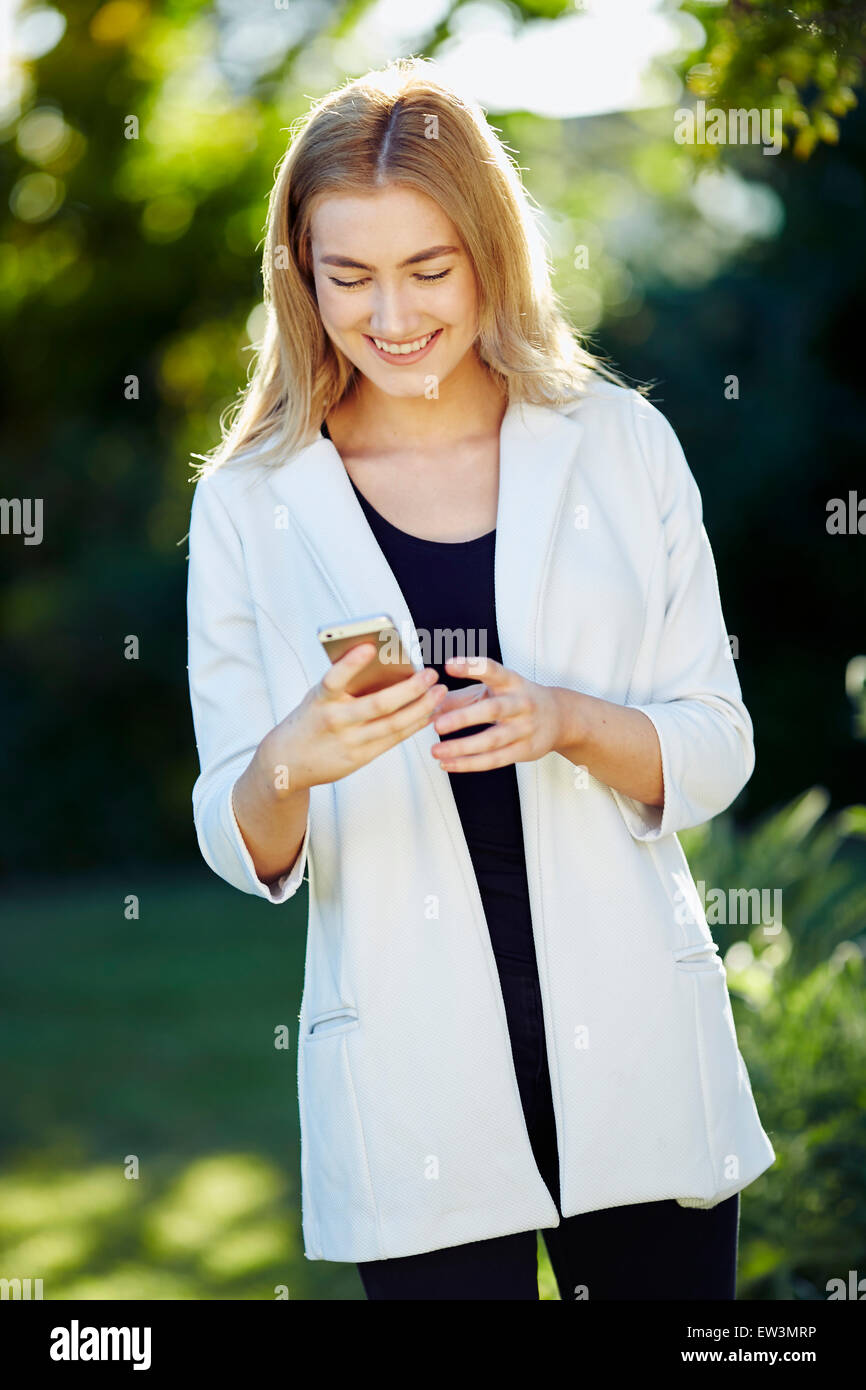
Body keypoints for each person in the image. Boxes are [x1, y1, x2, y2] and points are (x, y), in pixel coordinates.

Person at [186, 57, 775, 1300]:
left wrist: (563, 718)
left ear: (492, 255)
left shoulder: (618, 445)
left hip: (635, 1061)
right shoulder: (251, 500)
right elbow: (235, 831)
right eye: (347, 276)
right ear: (299, 273)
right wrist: (297, 751)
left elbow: (715, 744)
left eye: (428, 270)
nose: (390, 314)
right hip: (413, 1086)